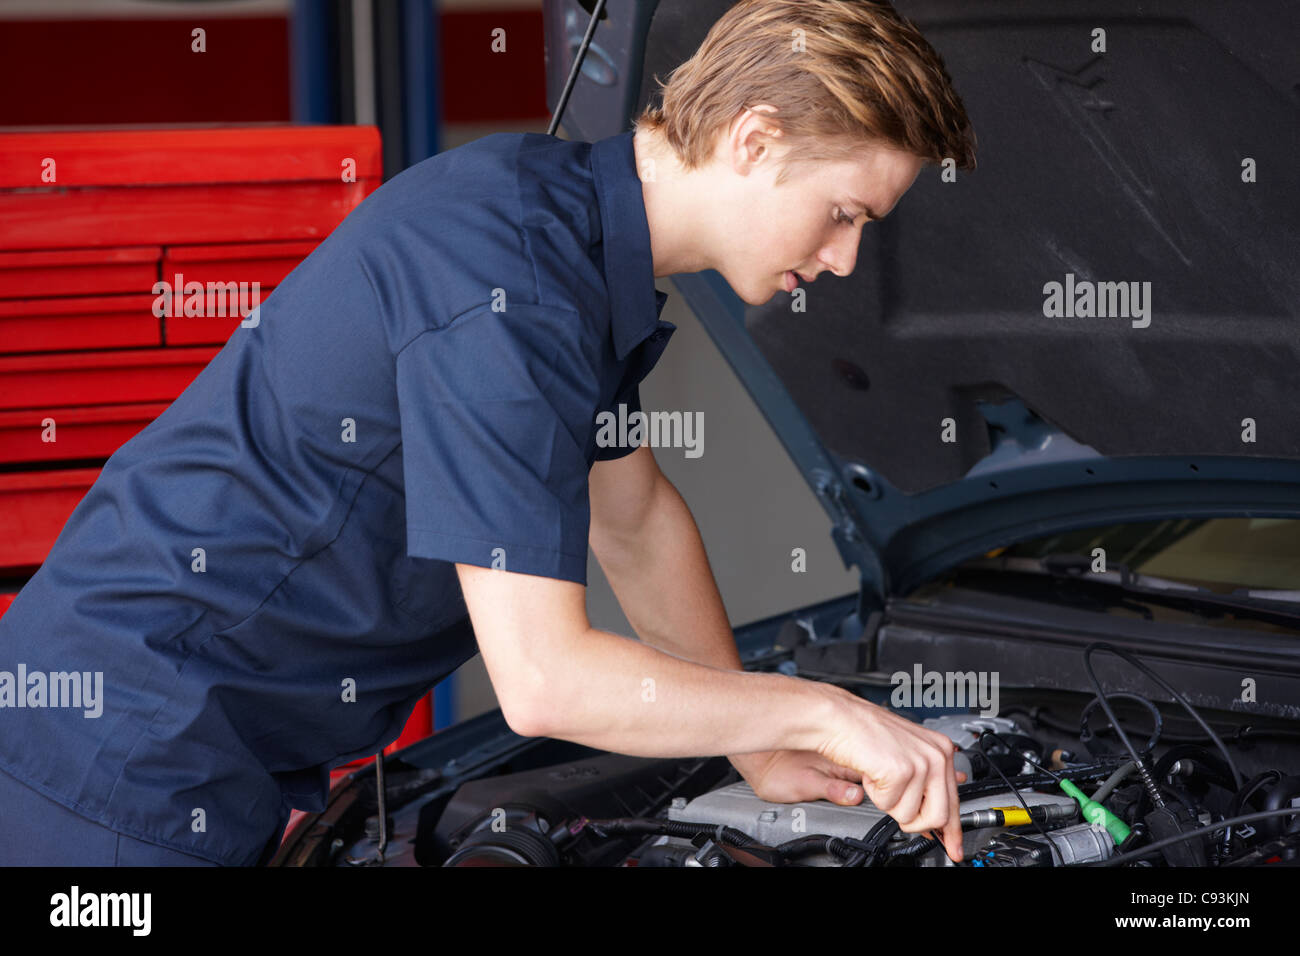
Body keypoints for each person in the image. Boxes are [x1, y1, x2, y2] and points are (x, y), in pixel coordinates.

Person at [0, 0, 975, 866]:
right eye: (842, 213)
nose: (845, 258)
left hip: (198, 742)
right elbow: (544, 681)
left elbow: (632, 521)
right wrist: (819, 708)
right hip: (119, 754)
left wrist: (756, 745)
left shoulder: (569, 236)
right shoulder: (518, 282)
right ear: (754, 140)